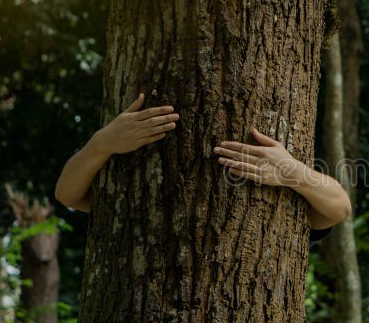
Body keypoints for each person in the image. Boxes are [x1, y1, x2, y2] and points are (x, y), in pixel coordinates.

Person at [54, 93, 351, 244]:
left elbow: (339, 206)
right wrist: (100, 144)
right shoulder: (139, 197)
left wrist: (291, 171)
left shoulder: (287, 197)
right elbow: (68, 193)